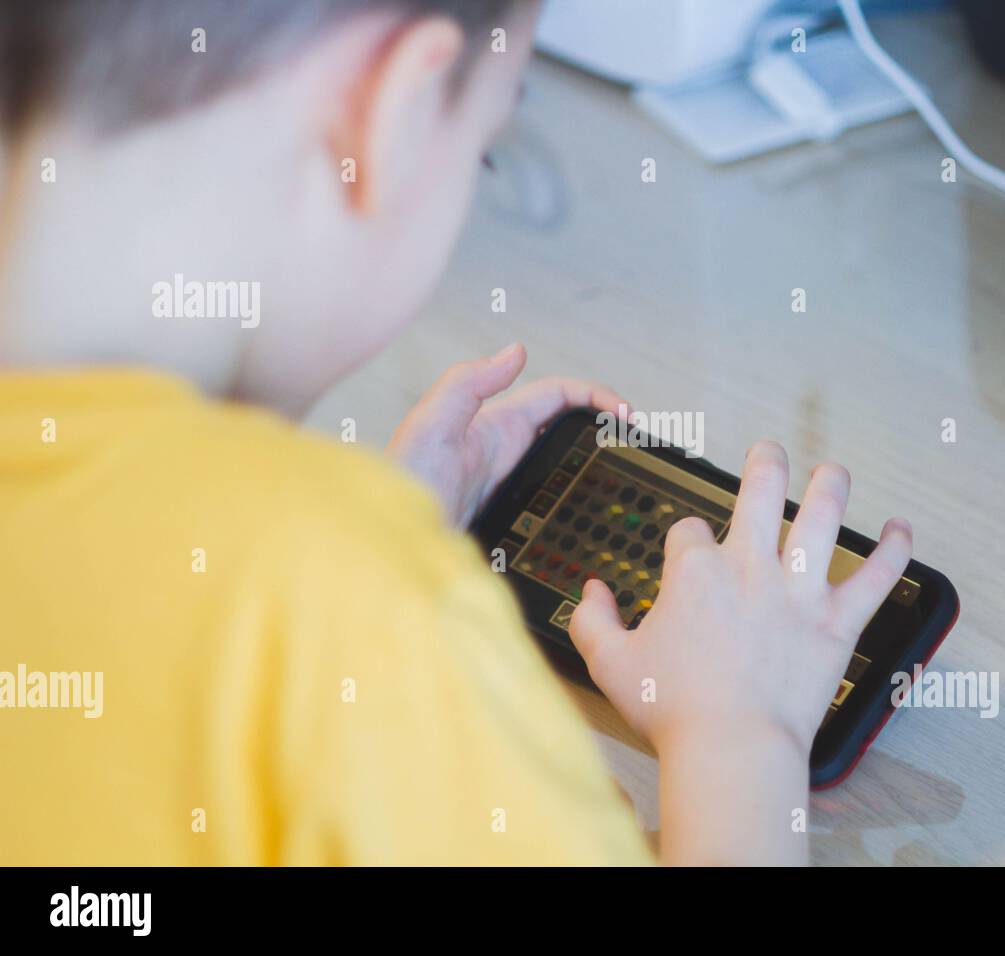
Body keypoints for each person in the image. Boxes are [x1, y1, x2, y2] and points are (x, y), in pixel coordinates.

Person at [0, 0, 912, 866]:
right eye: (483, 150)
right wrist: (740, 737)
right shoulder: (359, 619)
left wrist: (357, 537)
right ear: (387, 119)